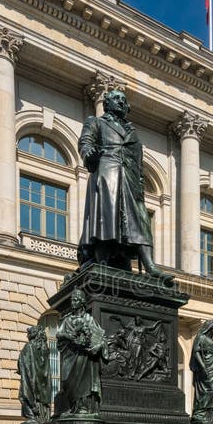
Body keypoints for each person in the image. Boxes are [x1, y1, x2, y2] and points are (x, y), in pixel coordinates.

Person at [77, 88, 173, 282]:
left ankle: (150, 266)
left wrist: (140, 186)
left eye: (123, 99)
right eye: (116, 99)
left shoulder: (133, 132)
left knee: (141, 220)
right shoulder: (96, 122)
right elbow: (85, 143)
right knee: (106, 218)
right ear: (106, 104)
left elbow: (138, 163)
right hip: (107, 172)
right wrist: (90, 154)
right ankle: (101, 261)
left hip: (130, 179)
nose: (121, 102)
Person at [55, 288, 109, 415]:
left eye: (75, 300)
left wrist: (98, 346)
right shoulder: (67, 320)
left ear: (82, 302)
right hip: (70, 355)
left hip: (85, 356)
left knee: (83, 381)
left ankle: (82, 407)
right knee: (67, 379)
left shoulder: (89, 319)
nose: (73, 302)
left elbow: (102, 338)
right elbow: (58, 334)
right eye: (72, 300)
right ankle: (71, 406)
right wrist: (68, 336)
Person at [17, 325, 52, 424]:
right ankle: (42, 417)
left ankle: (32, 415)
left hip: (31, 381)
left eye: (29, 333)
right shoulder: (45, 348)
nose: (27, 335)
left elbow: (23, 365)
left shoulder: (29, 346)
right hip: (43, 385)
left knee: (24, 396)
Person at [189, 319, 213, 423]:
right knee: (207, 389)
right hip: (206, 366)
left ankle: (211, 413)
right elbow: (196, 352)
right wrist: (203, 366)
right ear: (210, 328)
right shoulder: (201, 337)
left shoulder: (212, 341)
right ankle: (200, 412)